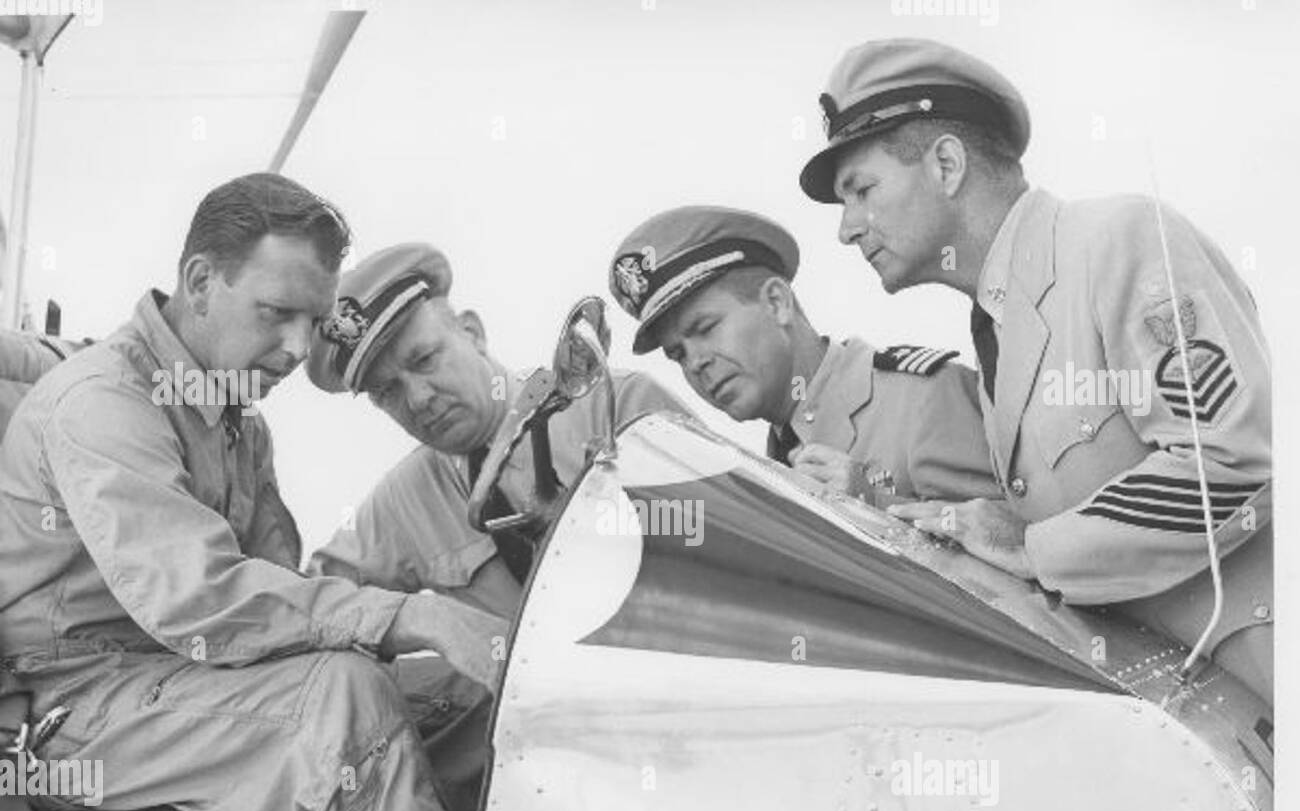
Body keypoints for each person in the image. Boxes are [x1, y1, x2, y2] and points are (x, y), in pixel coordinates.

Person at [0, 173, 507, 811]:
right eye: (279, 314)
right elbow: (198, 598)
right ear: (201, 283)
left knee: (456, 693)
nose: (298, 346)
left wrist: (400, 638)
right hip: (71, 705)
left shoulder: (240, 420)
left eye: (313, 320)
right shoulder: (103, 401)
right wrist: (406, 615)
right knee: (343, 702)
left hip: (175, 684)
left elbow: (281, 591)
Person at [799, 38, 1272, 704]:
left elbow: (1231, 466)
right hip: (1183, 708)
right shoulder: (998, 326)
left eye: (862, 190)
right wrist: (876, 498)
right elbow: (1031, 518)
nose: (848, 229)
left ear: (945, 163)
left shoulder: (1117, 239)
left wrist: (1033, 545)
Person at [305, 243, 684, 610]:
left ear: (472, 332)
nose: (418, 399)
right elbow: (310, 601)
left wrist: (603, 525)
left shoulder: (621, 407)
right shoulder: (406, 500)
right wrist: (419, 622)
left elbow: (719, 530)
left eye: (424, 360)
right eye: (387, 390)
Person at [608, 204, 1000, 505]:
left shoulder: (923, 398)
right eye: (677, 354)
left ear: (777, 302)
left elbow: (1024, 584)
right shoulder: (769, 467)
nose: (696, 362)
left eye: (705, 329)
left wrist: (873, 501)